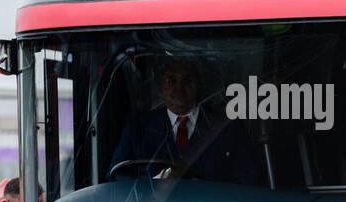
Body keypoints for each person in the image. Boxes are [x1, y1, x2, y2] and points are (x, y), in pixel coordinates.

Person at [109, 58, 256, 184]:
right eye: (171, 80)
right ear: (162, 86)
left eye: (187, 80)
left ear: (199, 84)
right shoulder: (138, 127)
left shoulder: (227, 126)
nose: (179, 88)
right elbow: (117, 176)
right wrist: (152, 186)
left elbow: (248, 180)